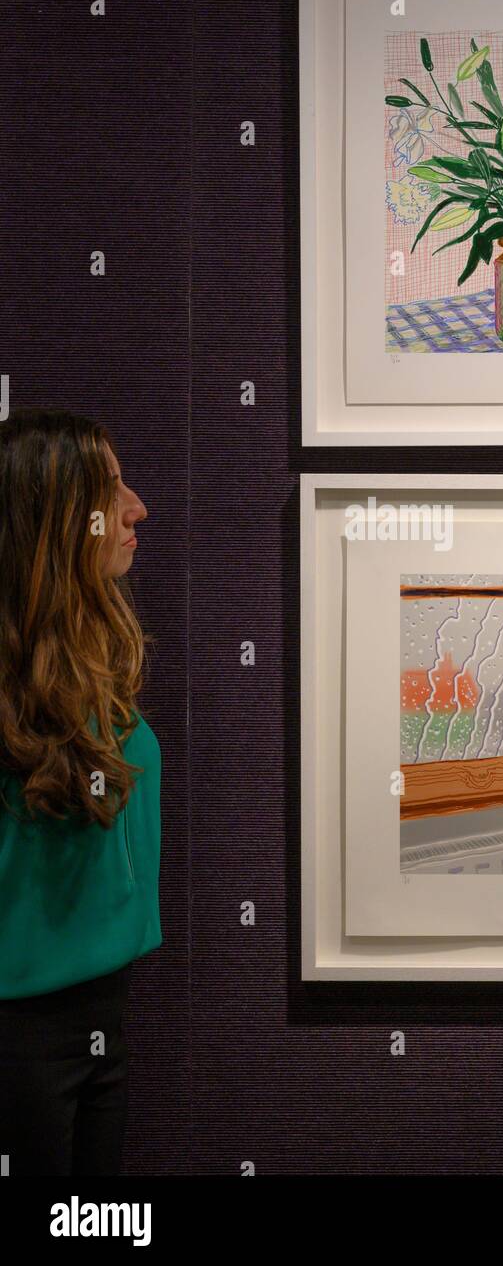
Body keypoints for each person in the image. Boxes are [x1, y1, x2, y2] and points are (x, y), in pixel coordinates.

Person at [0, 408, 161, 1176]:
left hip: (101, 1019)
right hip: (20, 1039)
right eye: (110, 490)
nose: (137, 508)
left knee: (94, 1228)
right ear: (59, 518)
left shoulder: (89, 666)